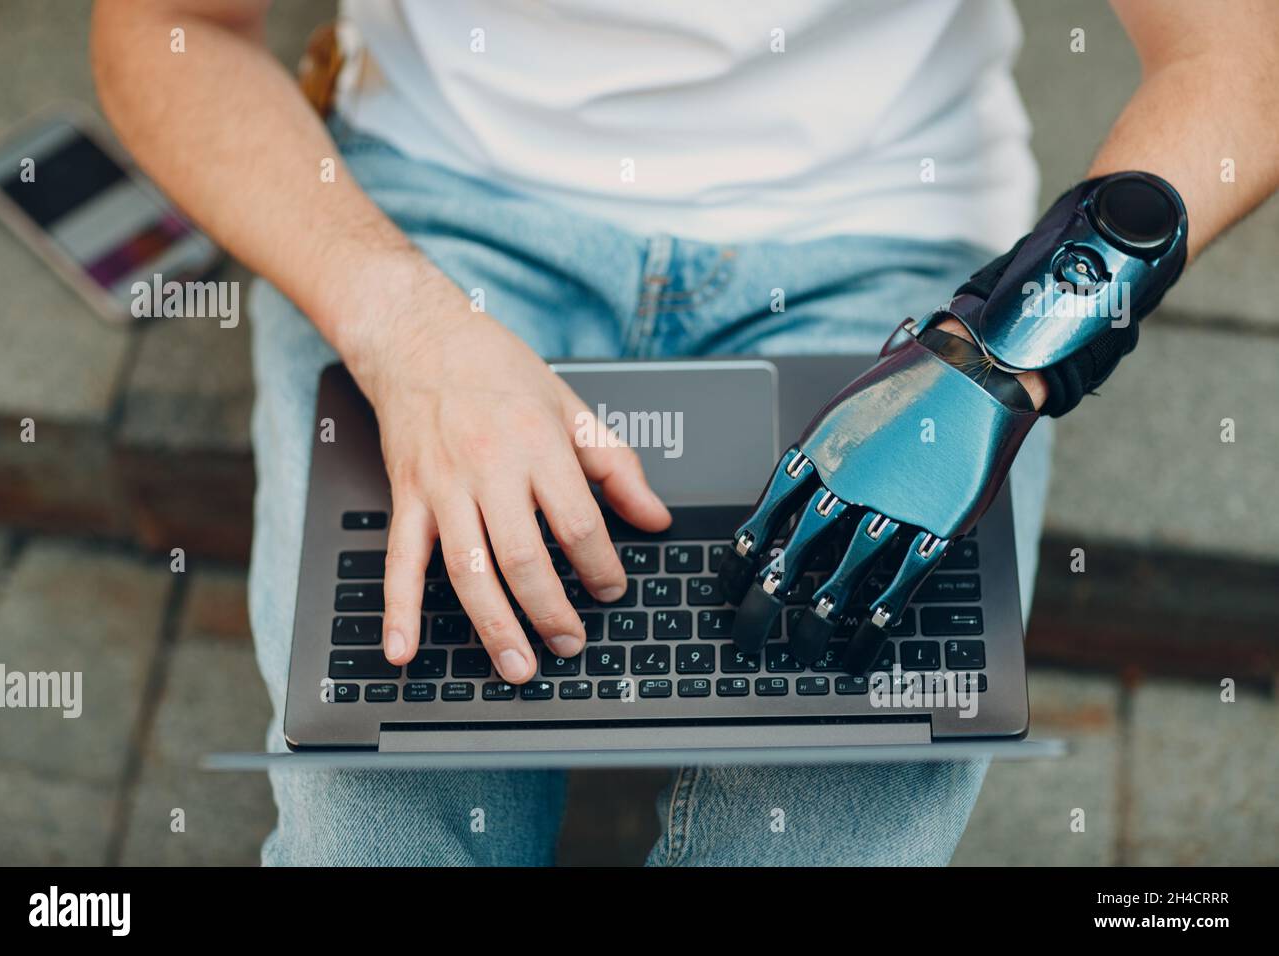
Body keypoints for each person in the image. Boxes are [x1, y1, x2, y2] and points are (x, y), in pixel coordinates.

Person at [91, 0, 1279, 865]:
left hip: (889, 244)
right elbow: (166, 26)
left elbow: (1240, 53)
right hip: (435, 216)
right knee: (374, 832)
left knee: (826, 844)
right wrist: (401, 322)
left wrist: (1001, 348)